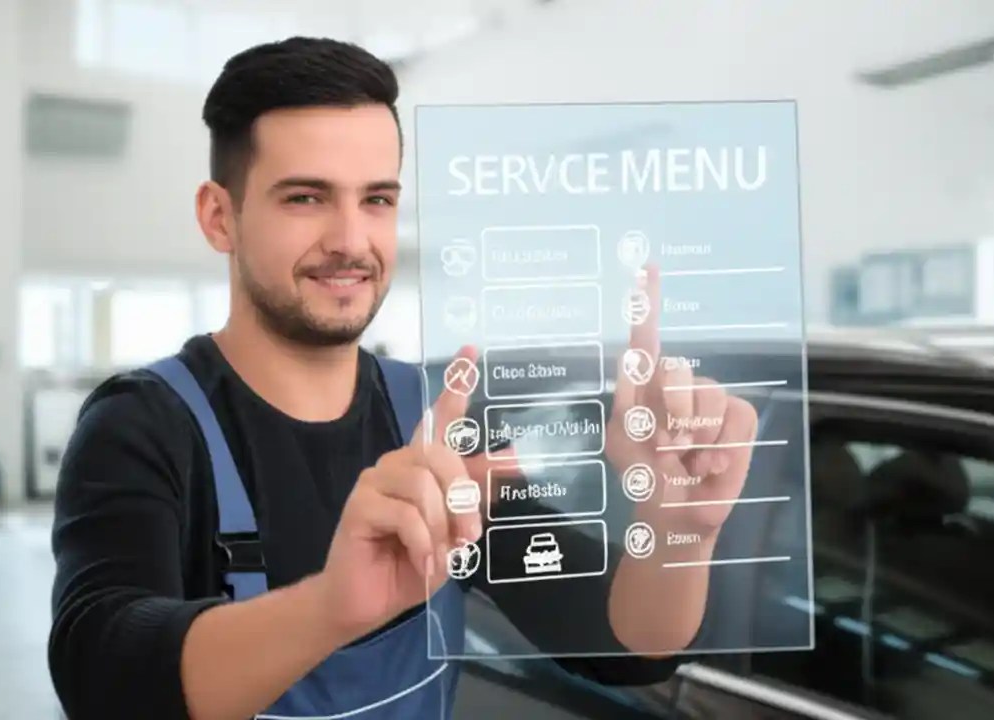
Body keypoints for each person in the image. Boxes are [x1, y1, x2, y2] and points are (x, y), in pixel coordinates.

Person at [48, 37, 758, 720]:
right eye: (305, 198)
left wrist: (677, 532)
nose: (351, 241)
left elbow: (622, 646)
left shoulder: (438, 421)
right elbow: (103, 676)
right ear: (219, 216)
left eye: (377, 200)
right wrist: (330, 607)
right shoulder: (142, 426)